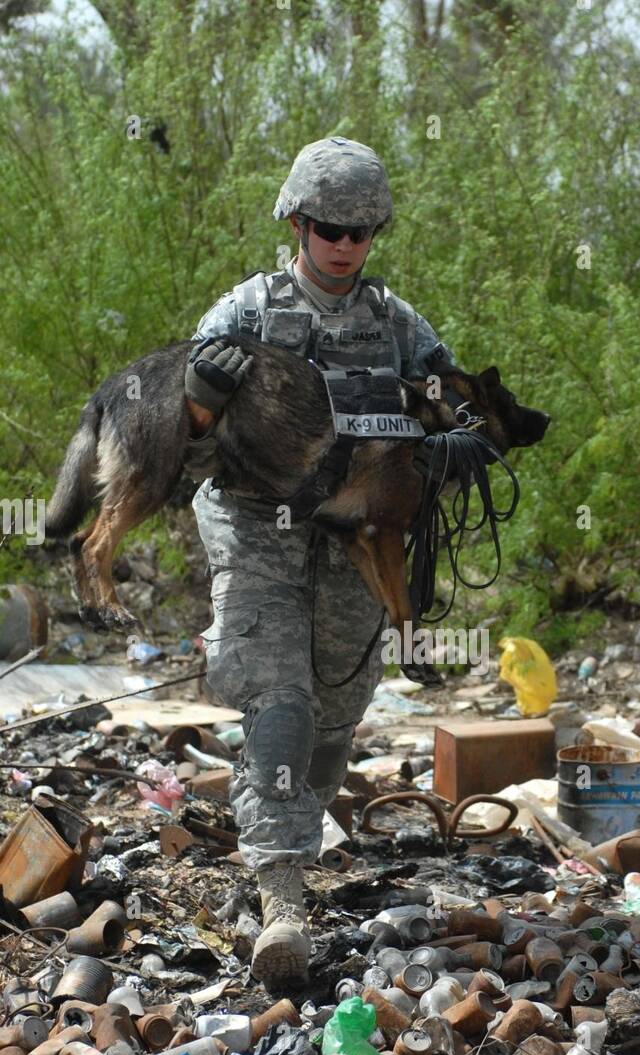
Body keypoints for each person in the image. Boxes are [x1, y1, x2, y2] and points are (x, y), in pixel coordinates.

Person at [182, 137, 455, 992]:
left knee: (339, 702)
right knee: (282, 700)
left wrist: (451, 425)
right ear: (298, 222)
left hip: (356, 537)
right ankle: (281, 899)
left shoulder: (398, 324)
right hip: (258, 524)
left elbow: (449, 407)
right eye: (331, 227)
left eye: (362, 230)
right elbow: (176, 448)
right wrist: (200, 398)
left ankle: (283, 841)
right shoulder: (243, 314)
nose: (345, 244)